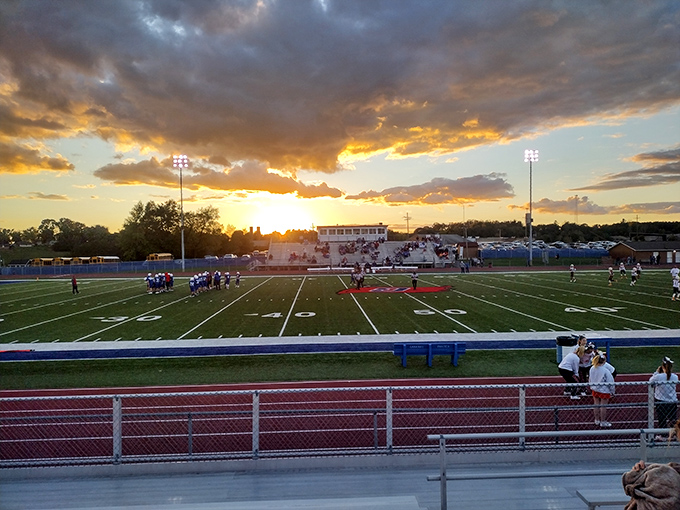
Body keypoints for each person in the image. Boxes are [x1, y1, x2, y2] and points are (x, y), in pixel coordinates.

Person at [649, 356, 678, 440]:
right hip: (672, 401)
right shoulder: (675, 377)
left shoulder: (659, 376)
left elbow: (650, 381)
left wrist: (656, 372)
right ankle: (675, 434)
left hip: (661, 401)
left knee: (662, 419)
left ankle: (663, 435)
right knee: (673, 419)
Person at [589, 350, 615, 427]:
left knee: (596, 404)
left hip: (595, 389)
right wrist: (612, 391)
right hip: (604, 390)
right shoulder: (605, 371)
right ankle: (603, 421)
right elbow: (611, 382)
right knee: (603, 406)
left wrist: (591, 386)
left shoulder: (592, 368)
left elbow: (590, 378)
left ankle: (596, 419)